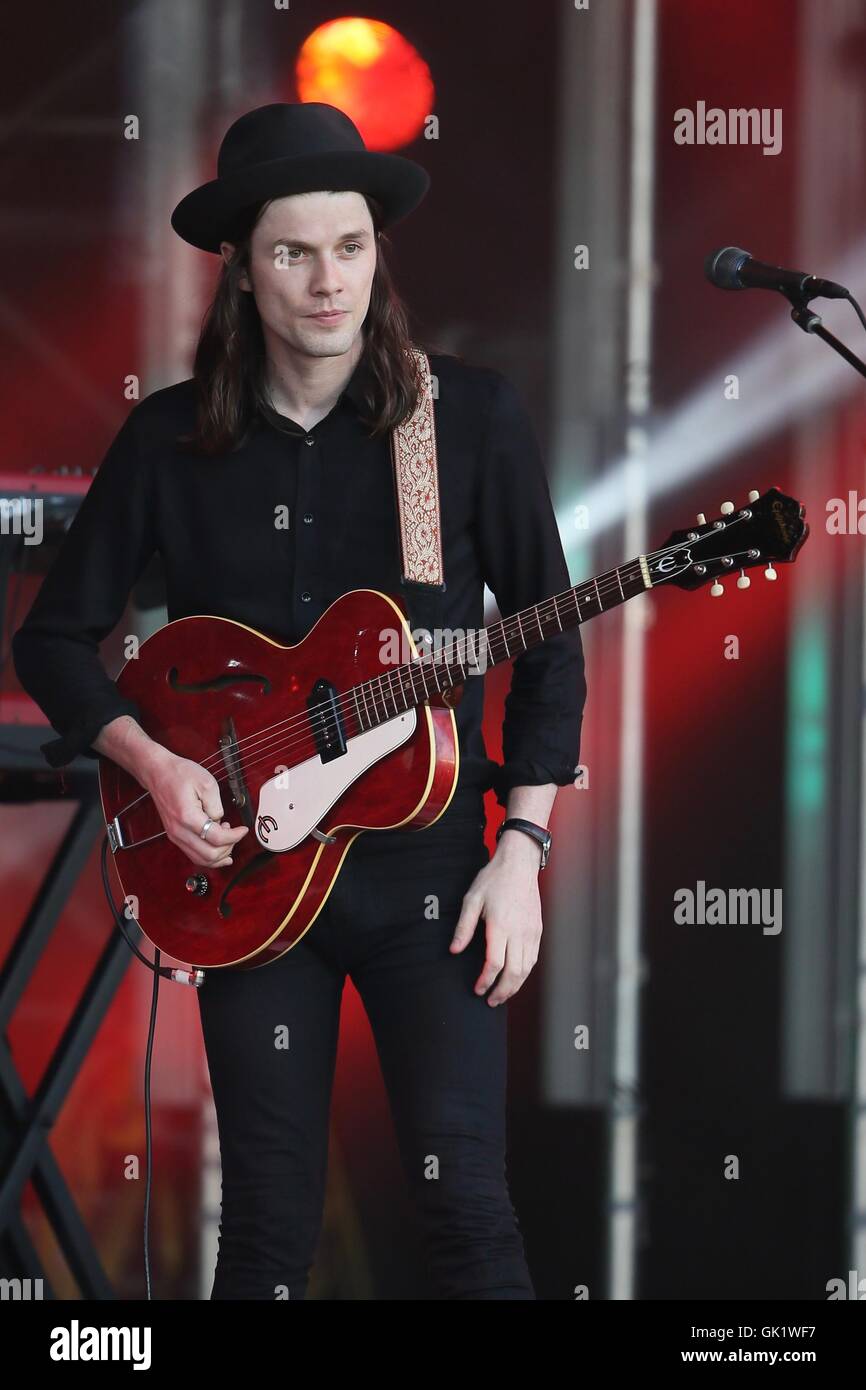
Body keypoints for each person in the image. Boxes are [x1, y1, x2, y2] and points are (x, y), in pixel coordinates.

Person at [13, 102, 587, 1300]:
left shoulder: (464, 420)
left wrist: (522, 849)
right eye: (292, 252)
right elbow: (55, 642)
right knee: (264, 1234)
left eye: (350, 247)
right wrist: (156, 770)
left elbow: (549, 651)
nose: (328, 282)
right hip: (246, 888)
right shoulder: (172, 441)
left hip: (431, 878)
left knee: (467, 1214)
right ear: (239, 268)